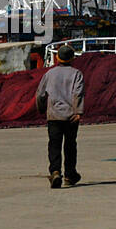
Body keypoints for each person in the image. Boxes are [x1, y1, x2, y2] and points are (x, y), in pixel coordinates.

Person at [37, 44, 85, 188]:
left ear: (57, 57)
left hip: (54, 115)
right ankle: (70, 175)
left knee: (54, 145)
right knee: (70, 145)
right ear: (72, 58)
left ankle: (55, 171)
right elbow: (78, 93)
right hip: (71, 116)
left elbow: (40, 94)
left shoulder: (49, 74)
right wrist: (78, 112)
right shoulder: (77, 74)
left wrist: (41, 109)